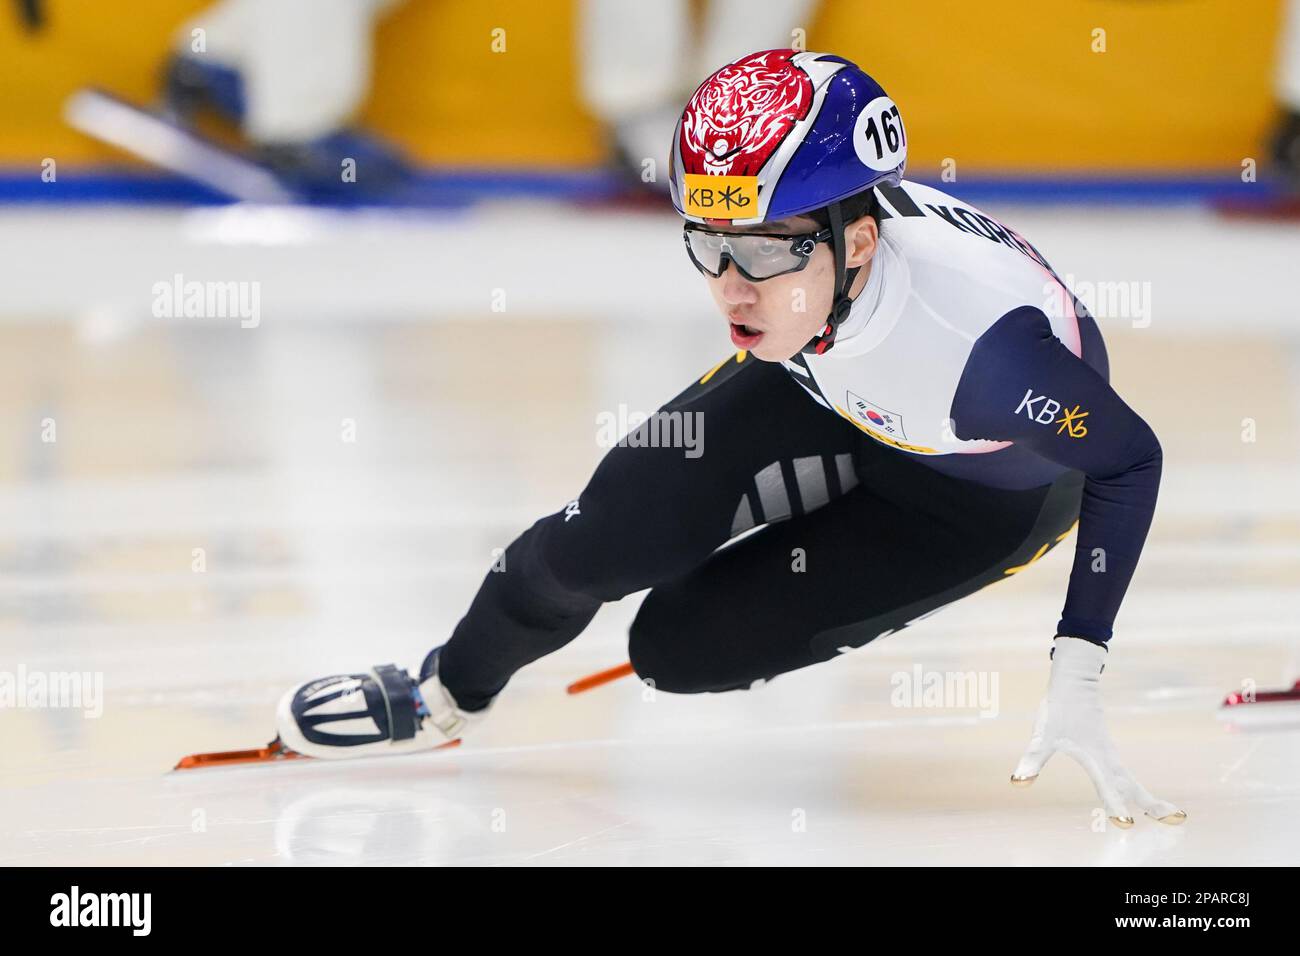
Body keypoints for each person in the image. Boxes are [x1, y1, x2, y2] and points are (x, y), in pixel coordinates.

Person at [276, 49, 1184, 828]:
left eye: (763, 249)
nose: (732, 288)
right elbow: (769, 282)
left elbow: (1130, 457)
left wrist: (1079, 664)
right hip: (822, 376)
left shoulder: (984, 356)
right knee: (600, 538)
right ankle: (440, 693)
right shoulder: (803, 285)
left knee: (675, 651)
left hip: (975, 503)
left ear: (860, 241)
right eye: (709, 243)